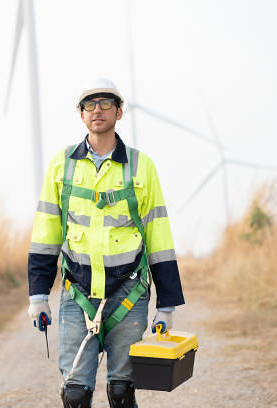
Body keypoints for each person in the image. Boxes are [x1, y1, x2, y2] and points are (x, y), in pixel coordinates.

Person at [27, 78, 185, 408]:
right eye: (90, 105)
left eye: (106, 103)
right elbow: (46, 232)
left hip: (129, 293)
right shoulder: (62, 165)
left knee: (122, 392)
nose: (97, 110)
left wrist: (167, 305)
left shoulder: (143, 166)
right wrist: (38, 295)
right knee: (75, 393)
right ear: (81, 115)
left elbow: (158, 235)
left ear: (120, 112)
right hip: (77, 293)